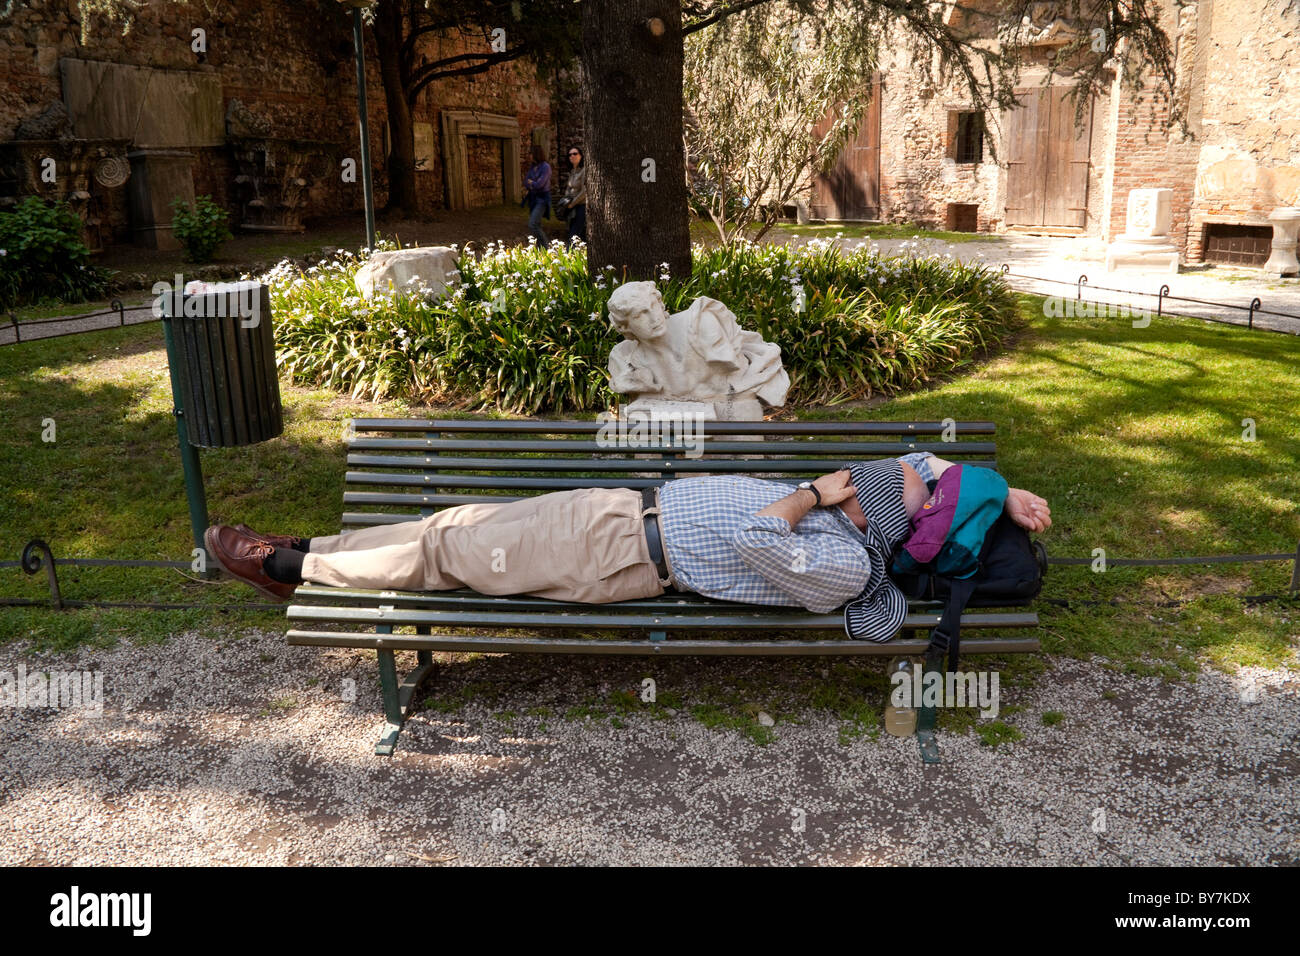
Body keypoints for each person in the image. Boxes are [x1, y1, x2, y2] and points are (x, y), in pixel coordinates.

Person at [205, 454, 1051, 640]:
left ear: (872, 513)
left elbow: (764, 538)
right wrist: (1000, 493)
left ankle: (288, 568)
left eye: (899, 484)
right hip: (619, 513)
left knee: (444, 556)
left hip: (616, 559)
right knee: (451, 525)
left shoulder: (841, 558)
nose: (913, 472)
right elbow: (925, 468)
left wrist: (812, 494)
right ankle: (312, 548)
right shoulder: (862, 515)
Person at [521, 144, 551, 248]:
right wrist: (532, 183)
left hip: (542, 199)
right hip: (533, 199)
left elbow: (540, 184)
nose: (529, 156)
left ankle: (546, 247)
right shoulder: (533, 167)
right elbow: (525, 182)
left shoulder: (545, 167)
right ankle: (540, 249)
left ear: (536, 154)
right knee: (537, 224)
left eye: (530, 153)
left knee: (532, 224)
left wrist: (532, 183)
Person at [557, 145, 586, 246]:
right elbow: (568, 190)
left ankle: (570, 256)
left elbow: (585, 192)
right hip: (571, 208)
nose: (572, 156)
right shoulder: (572, 172)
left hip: (581, 207)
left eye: (575, 154)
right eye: (570, 154)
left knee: (574, 235)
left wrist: (572, 204)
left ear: (581, 156)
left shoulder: (584, 171)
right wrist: (566, 202)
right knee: (577, 235)